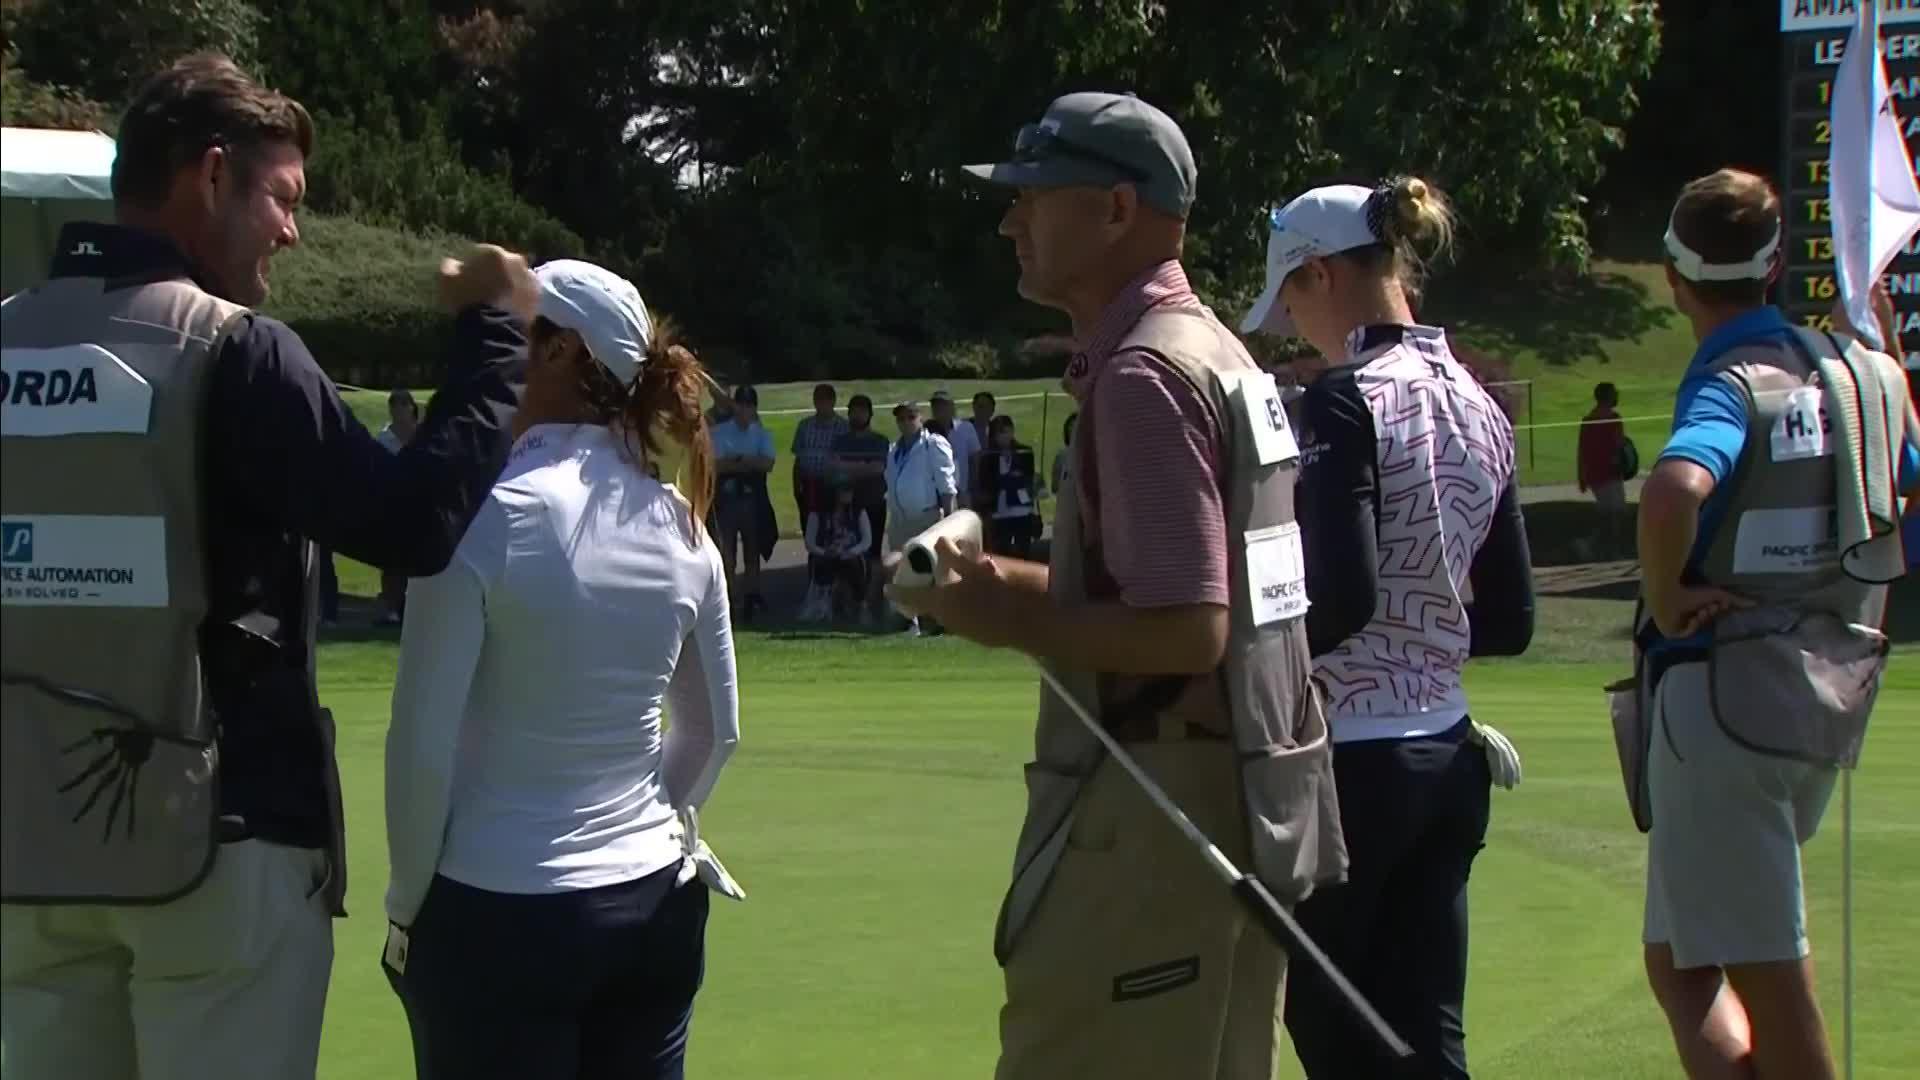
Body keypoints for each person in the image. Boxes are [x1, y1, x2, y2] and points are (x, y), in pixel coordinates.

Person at [0, 54, 525, 1080]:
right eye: (281, 198)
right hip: (221, 835)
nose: (291, 229)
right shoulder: (233, 348)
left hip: (27, 845)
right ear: (208, 177)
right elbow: (412, 526)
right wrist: (495, 335)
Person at [897, 91, 1342, 1080]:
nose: (1012, 220)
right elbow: (1169, 582)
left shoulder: (1143, 377)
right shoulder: (1217, 351)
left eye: (1035, 195)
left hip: (1154, 813)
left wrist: (999, 612)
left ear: (1114, 210)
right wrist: (1016, 575)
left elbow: (1189, 630)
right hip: (1240, 794)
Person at [383, 259, 740, 1080]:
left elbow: (421, 746)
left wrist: (407, 905)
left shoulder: (482, 516)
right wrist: (646, 824)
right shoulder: (684, 528)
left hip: (499, 913)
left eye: (513, 336)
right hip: (654, 901)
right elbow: (717, 736)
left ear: (561, 354)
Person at [1241, 176, 1536, 1079]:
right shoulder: (1479, 401)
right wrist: (1424, 651)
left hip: (1355, 769)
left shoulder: (1344, 397)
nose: (1291, 320)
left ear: (1323, 273)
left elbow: (1343, 600)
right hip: (1448, 754)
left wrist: (1238, 654)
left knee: (1338, 1038)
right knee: (1428, 1041)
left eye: (1291, 293)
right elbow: (1510, 618)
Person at [1634, 169, 1917, 1080]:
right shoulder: (1864, 373)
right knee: (1678, 960)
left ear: (1675, 277)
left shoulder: (1730, 379)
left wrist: (1669, 593)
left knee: (1769, 980)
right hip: (1825, 687)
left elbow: (1676, 485)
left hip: (1721, 698)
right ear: (1776, 265)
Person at [882, 400, 956, 637]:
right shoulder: (893, 449)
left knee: (929, 572)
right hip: (899, 520)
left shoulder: (932, 445)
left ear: (920, 418)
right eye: (901, 418)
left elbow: (947, 485)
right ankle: (909, 621)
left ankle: (938, 621)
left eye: (910, 417)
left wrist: (949, 521)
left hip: (927, 517)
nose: (905, 422)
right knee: (901, 571)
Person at [711, 384, 776, 620]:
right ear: (735, 405)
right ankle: (729, 597)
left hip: (753, 496)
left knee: (753, 548)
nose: (745, 410)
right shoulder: (720, 432)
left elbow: (768, 463)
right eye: (742, 405)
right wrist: (748, 461)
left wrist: (737, 460)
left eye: (750, 406)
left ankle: (752, 594)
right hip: (727, 497)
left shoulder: (761, 433)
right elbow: (717, 465)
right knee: (727, 550)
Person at [833, 393, 893, 624]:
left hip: (873, 502)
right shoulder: (840, 441)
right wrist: (863, 466)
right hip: (845, 504)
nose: (857, 415)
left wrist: (849, 467)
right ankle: (848, 604)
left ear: (869, 414)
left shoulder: (880, 441)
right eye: (853, 411)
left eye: (861, 411)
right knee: (845, 553)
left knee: (873, 555)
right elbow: (834, 467)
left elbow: (878, 468)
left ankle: (871, 602)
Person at [378, 388, 424, 624]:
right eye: (394, 407)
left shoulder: (423, 436)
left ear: (411, 408)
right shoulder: (384, 439)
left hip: (420, 508)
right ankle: (391, 610)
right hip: (393, 507)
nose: (397, 412)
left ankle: (414, 611)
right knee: (392, 564)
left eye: (402, 407)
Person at [800, 475, 873, 622]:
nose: (849, 494)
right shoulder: (817, 514)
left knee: (854, 565)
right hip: (826, 553)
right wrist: (825, 552)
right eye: (844, 490)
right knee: (823, 564)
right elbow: (809, 543)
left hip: (850, 554)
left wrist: (851, 551)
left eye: (851, 490)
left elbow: (867, 541)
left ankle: (861, 606)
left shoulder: (858, 512)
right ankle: (823, 609)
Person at [1578, 381, 1631, 558]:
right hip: (1608, 472)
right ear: (1608, 397)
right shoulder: (1614, 419)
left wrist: (1582, 475)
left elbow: (1582, 450)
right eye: (1614, 393)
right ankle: (1602, 547)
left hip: (1597, 474)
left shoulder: (1588, 421)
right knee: (1615, 513)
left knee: (1610, 513)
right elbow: (1619, 445)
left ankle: (1599, 546)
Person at [979, 415, 1040, 558]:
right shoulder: (988, 456)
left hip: (1021, 509)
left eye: (1006, 431)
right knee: (1002, 553)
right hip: (999, 512)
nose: (1004, 436)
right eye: (999, 432)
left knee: (1023, 552)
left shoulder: (1025, 452)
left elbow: (1029, 479)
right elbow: (985, 482)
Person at [791, 382, 848, 524]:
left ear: (833, 401)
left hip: (833, 487)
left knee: (832, 531)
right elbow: (798, 460)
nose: (820, 403)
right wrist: (797, 489)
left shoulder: (844, 427)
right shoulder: (804, 426)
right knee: (809, 529)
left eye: (825, 399)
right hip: (809, 485)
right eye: (817, 399)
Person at [932, 388, 981, 492]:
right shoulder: (927, 431)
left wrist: (973, 486)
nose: (939, 409)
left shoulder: (966, 427)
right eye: (935, 406)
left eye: (943, 405)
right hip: (936, 494)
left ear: (951, 407)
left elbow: (975, 458)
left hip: (962, 490)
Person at [1051, 411, 1078, 497]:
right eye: (1071, 426)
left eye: (1076, 426)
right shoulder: (1062, 456)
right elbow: (1055, 487)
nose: (1073, 430)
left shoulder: (1093, 455)